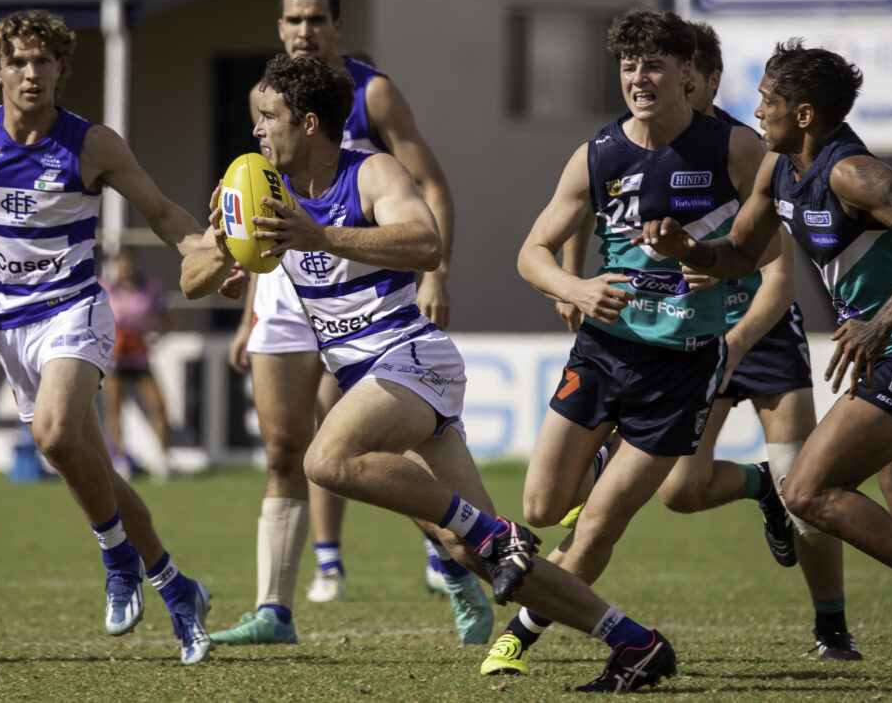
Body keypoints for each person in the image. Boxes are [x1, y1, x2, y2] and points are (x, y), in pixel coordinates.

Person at [183, 52, 679, 693]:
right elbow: (192, 278)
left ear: (308, 122)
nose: (256, 130)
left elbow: (426, 243)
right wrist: (228, 240)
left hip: (414, 359)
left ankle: (493, 532)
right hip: (372, 380)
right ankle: (635, 641)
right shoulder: (255, 187)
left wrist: (322, 236)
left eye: (268, 117)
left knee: (324, 460)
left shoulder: (370, 173)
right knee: (477, 556)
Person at [0, 9, 235, 664]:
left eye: (43, 61)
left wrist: (208, 255)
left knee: (54, 433)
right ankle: (176, 586)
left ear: (60, 71)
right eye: (17, 60)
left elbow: (164, 215)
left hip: (74, 310)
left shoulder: (91, 145)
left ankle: (116, 560)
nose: (30, 72)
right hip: (8, 328)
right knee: (89, 465)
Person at [478, 8, 766, 676]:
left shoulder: (734, 149)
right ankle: (603, 472)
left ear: (687, 73)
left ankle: (523, 633)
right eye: (629, 65)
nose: (640, 78)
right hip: (606, 351)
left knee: (601, 523)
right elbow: (532, 252)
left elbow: (767, 249)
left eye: (655, 64)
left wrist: (711, 256)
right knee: (541, 507)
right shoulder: (599, 154)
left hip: (682, 367)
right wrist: (575, 289)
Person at [218, 0, 484, 647]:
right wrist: (250, 300)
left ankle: (452, 550)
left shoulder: (371, 94)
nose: (302, 30)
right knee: (286, 444)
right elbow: (245, 210)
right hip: (289, 263)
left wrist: (437, 269)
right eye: (291, 20)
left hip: (360, 266)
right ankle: (277, 606)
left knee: (360, 438)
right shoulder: (265, 99)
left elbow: (429, 186)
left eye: (315, 19)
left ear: (337, 27)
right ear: (279, 28)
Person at [635, 38, 892, 617]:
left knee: (807, 491)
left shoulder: (853, 173)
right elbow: (739, 252)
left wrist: (881, 322)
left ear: (804, 114)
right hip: (885, 354)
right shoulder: (778, 169)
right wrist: (686, 246)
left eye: (767, 101)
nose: (757, 110)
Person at [654, 22, 860, 660]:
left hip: (764, 333)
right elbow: (589, 214)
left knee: (808, 491)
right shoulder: (639, 144)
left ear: (709, 78)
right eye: (666, 71)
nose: (672, 83)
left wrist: (739, 342)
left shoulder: (751, 147)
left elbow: (775, 273)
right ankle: (760, 487)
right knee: (681, 492)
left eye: (687, 73)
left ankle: (832, 629)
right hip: (697, 333)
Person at [100, 246, 174, 481]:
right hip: (115, 360)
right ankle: (120, 460)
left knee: (158, 405)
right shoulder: (106, 289)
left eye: (128, 262)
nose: (126, 267)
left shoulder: (150, 289)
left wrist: (157, 334)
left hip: (140, 358)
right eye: (121, 264)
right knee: (114, 409)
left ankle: (163, 460)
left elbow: (168, 317)